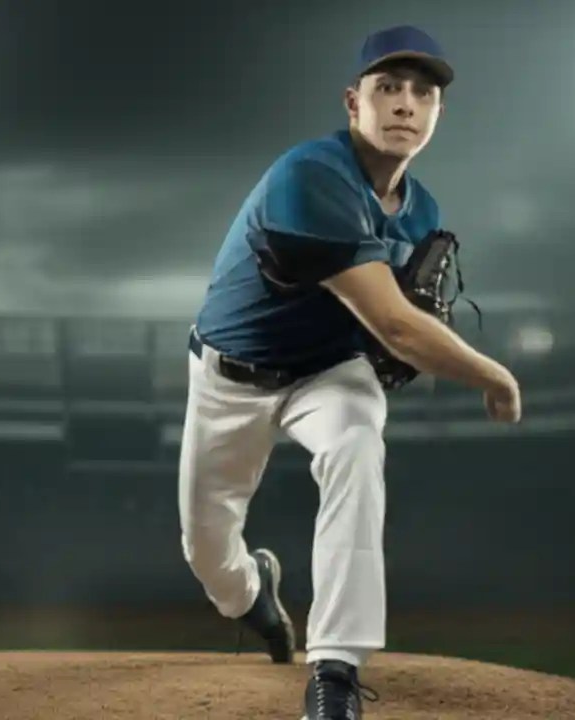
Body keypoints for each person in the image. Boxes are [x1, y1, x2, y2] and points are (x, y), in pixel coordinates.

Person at [177, 24, 522, 720]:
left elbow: (390, 327)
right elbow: (396, 326)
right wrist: (495, 376)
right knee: (208, 553)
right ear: (352, 103)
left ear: (436, 114)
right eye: (387, 88)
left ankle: (334, 668)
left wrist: (405, 334)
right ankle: (256, 598)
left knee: (359, 443)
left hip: (329, 374)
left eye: (422, 93)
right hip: (228, 380)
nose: (404, 104)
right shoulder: (309, 175)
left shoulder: (423, 210)